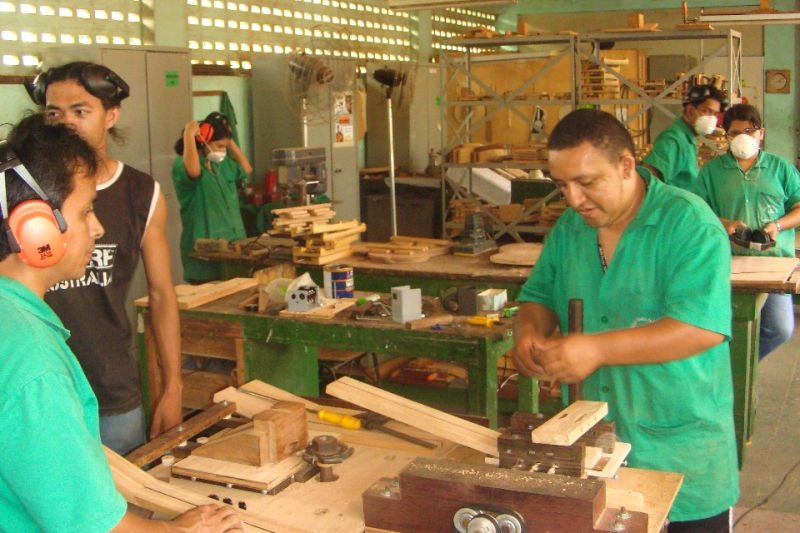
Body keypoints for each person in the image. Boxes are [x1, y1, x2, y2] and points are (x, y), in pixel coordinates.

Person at [0, 113, 242, 532]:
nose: (97, 228)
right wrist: (179, 529)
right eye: (85, 212)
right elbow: (93, 527)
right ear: (35, 228)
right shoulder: (31, 359)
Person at [513, 109, 738, 531]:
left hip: (678, 453)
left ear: (626, 165)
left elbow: (700, 328)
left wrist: (596, 349)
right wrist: (529, 332)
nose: (573, 199)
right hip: (592, 449)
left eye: (586, 182)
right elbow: (539, 295)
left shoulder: (689, 225)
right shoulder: (571, 228)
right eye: (562, 185)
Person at [34, 61, 182, 454]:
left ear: (111, 115)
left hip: (111, 388)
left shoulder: (141, 194)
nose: (66, 124)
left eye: (80, 111)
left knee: (124, 488)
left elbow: (162, 294)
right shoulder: (26, 193)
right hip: (42, 390)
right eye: (54, 113)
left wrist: (172, 386)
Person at [697, 103, 800, 360]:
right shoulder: (712, 172)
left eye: (749, 131)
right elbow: (697, 211)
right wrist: (724, 223)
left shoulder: (781, 169)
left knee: (779, 328)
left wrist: (777, 225)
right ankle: (732, 373)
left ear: (761, 133)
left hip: (773, 265)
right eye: (735, 132)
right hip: (729, 264)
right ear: (726, 136)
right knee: (722, 328)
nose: (743, 137)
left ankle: (740, 369)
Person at [172, 111, 252, 283]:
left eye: (225, 147)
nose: (223, 151)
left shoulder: (222, 164)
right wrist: (189, 136)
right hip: (204, 253)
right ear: (203, 142)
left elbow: (246, 168)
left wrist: (229, 140)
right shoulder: (183, 164)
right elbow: (194, 172)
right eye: (219, 146)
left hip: (233, 248)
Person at [643, 83, 727, 193]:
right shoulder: (674, 140)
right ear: (690, 110)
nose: (711, 119)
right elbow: (647, 182)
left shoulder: (688, 141)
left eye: (715, 114)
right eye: (707, 111)